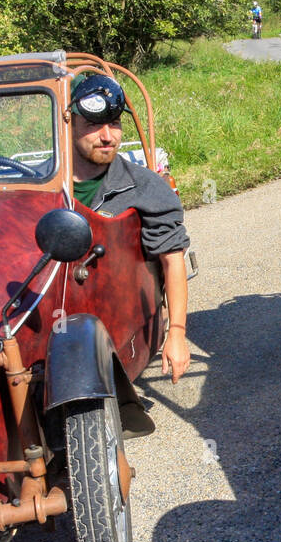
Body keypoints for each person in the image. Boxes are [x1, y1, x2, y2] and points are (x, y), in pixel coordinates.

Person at [68, 73, 190, 383]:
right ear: (69, 126)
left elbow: (172, 258)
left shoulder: (146, 187)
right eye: (94, 126)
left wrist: (176, 334)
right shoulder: (45, 187)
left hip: (114, 324)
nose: (107, 136)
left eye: (115, 124)